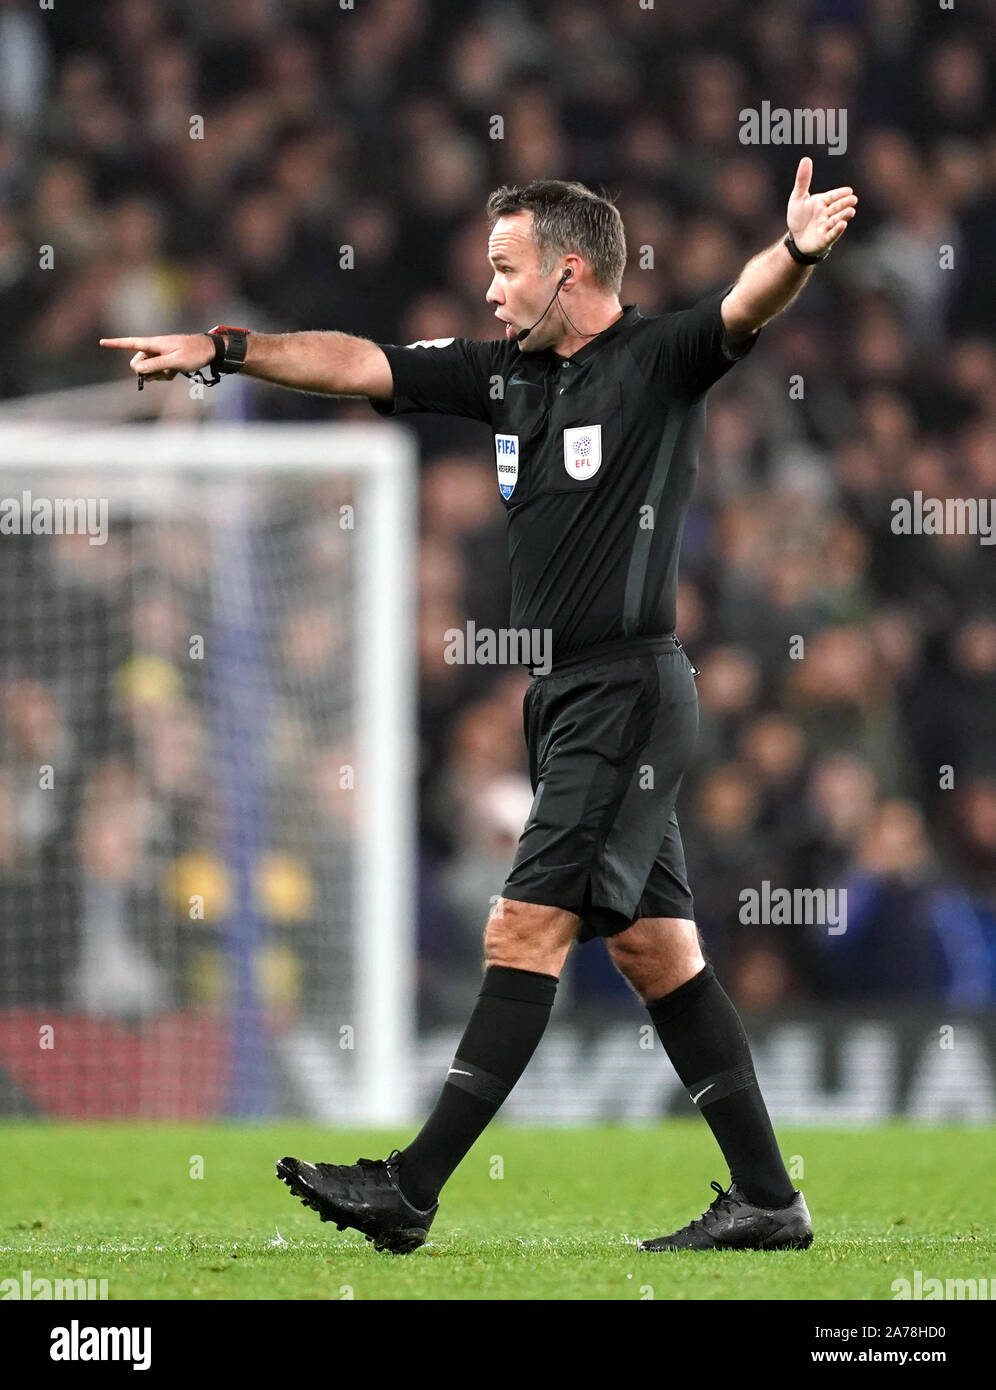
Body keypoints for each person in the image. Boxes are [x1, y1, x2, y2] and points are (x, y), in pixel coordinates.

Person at [100, 157, 857, 1254]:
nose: (491, 293)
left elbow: (744, 303)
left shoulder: (657, 360)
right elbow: (361, 364)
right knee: (657, 953)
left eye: (506, 271)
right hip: (566, 700)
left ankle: (409, 1187)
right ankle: (768, 1200)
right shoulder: (505, 376)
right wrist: (227, 351)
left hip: (627, 689)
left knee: (524, 923)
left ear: (571, 269)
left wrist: (793, 250)